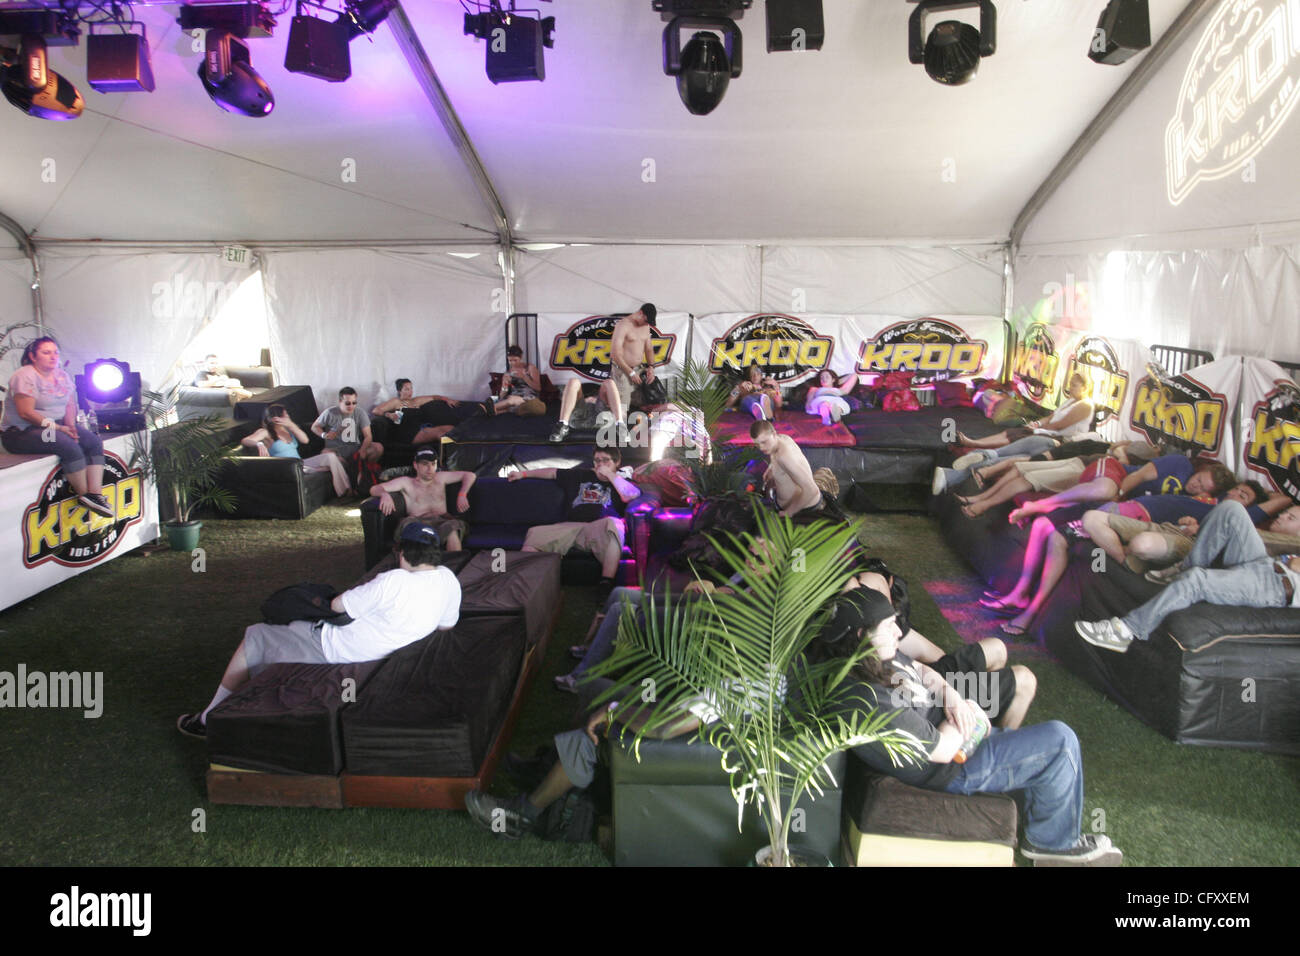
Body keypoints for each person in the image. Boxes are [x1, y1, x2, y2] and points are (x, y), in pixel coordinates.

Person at [825, 588, 1122, 865]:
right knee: (1060, 741)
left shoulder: (875, 658)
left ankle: (1044, 827)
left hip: (953, 728)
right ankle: (1054, 846)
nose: (898, 631)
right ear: (862, 634)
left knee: (1039, 730)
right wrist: (973, 717)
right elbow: (940, 750)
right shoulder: (867, 698)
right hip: (950, 769)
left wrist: (953, 697)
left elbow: (921, 668)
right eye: (888, 625)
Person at [177, 521, 460, 738]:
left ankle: (208, 718)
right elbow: (446, 626)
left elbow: (337, 606)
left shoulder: (394, 580)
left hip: (334, 647)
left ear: (402, 552)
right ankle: (250, 698)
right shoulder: (448, 579)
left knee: (256, 634)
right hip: (380, 649)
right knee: (289, 626)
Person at [1076, 499, 1300, 653]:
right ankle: (1184, 569)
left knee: (1197, 581)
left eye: (1291, 517)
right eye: (1286, 513)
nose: (1283, 516)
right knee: (1231, 508)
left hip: (1276, 585)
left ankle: (1126, 631)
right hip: (1264, 563)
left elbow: (1297, 565)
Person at [1, 336, 114, 517]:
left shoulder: (61, 375)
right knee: (66, 444)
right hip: (22, 431)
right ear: (33, 356)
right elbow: (26, 413)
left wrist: (71, 426)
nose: (53, 357)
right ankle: (84, 494)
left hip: (56, 425)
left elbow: (70, 404)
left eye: (55, 352)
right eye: (46, 353)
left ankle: (95, 493)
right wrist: (59, 429)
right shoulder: (24, 375)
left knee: (93, 441)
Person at [508, 448, 640, 589]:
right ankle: (523, 586)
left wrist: (610, 475)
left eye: (606, 460)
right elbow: (552, 472)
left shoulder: (621, 481)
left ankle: (606, 584)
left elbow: (630, 495)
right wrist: (522, 474)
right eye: (597, 460)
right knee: (535, 534)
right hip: (569, 526)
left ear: (617, 462)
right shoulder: (580, 474)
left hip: (597, 529)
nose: (600, 464)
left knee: (615, 524)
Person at [369, 448, 475, 551]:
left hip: (442, 520)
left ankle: (452, 566)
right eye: (425, 464)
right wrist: (384, 495)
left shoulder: (441, 477)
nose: (430, 469)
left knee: (452, 528)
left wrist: (462, 494)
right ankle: (413, 564)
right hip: (417, 521)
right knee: (408, 525)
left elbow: (469, 475)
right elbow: (375, 489)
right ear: (416, 465)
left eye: (433, 464)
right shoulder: (406, 482)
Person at [955, 372, 1093, 448]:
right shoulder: (1070, 401)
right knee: (1010, 431)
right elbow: (1051, 417)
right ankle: (974, 443)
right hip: (1049, 429)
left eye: (1074, 386)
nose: (1070, 388)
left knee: (1016, 435)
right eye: (1070, 384)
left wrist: (1038, 429)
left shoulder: (1085, 405)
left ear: (1085, 388)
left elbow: (1059, 425)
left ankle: (974, 444)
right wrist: (1037, 424)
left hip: (1059, 437)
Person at [240, 403, 351, 497]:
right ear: (276, 418)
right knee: (336, 462)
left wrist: (291, 425)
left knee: (330, 457)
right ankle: (323, 470)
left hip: (300, 463)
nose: (288, 416)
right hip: (287, 468)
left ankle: (345, 490)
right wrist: (259, 444)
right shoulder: (266, 432)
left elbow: (305, 440)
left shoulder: (289, 429)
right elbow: (245, 440)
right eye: (285, 415)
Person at [751, 419, 822, 518]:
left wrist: (789, 512)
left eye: (764, 442)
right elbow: (776, 456)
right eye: (757, 444)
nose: (761, 448)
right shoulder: (782, 438)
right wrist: (771, 468)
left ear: (774, 434)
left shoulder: (784, 457)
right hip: (785, 502)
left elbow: (812, 490)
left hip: (802, 509)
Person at [312, 387, 382, 479]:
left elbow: (368, 436)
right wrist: (324, 434)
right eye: (348, 403)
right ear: (340, 401)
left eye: (354, 403)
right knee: (325, 453)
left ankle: (367, 473)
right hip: (336, 450)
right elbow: (314, 427)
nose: (351, 406)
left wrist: (363, 449)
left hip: (356, 449)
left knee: (378, 447)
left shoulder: (360, 413)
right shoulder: (329, 412)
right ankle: (349, 473)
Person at [548, 378, 619, 442]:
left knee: (609, 382)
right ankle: (563, 425)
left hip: (601, 415)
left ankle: (620, 424)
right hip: (580, 415)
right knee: (573, 381)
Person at [495, 346, 545, 416]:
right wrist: (505, 384)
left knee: (511, 401)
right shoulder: (508, 373)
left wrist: (524, 377)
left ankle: (489, 408)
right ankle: (492, 411)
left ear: (521, 357)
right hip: (513, 397)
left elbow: (538, 388)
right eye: (510, 360)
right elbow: (502, 395)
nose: (513, 363)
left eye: (515, 360)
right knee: (509, 400)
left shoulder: (529, 368)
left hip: (528, 398)